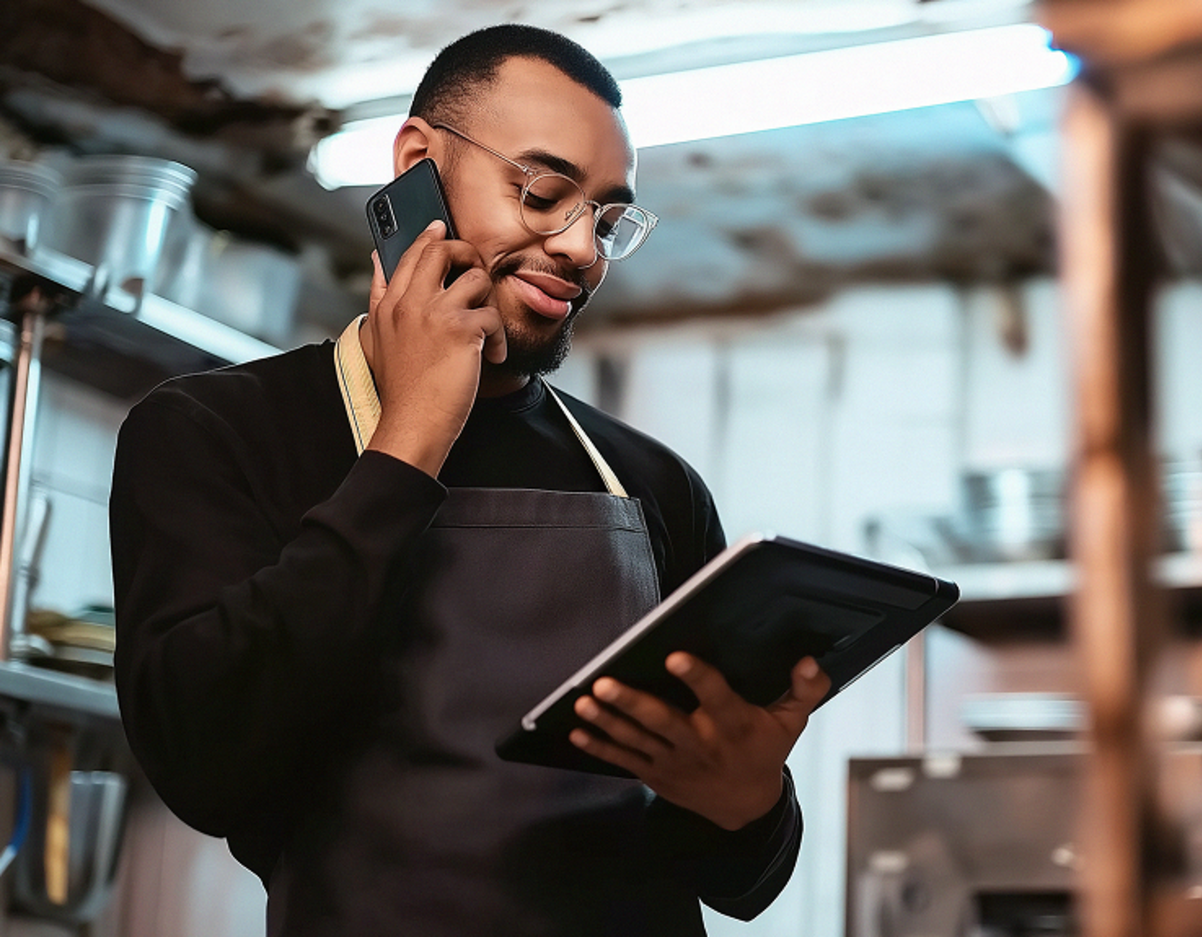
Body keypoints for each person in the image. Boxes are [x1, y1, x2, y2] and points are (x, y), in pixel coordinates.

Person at [109, 23, 831, 937]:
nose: (581, 249)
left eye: (606, 217)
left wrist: (748, 798)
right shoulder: (216, 431)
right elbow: (202, 765)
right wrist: (411, 438)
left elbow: (743, 881)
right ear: (418, 164)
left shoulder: (655, 488)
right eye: (543, 192)